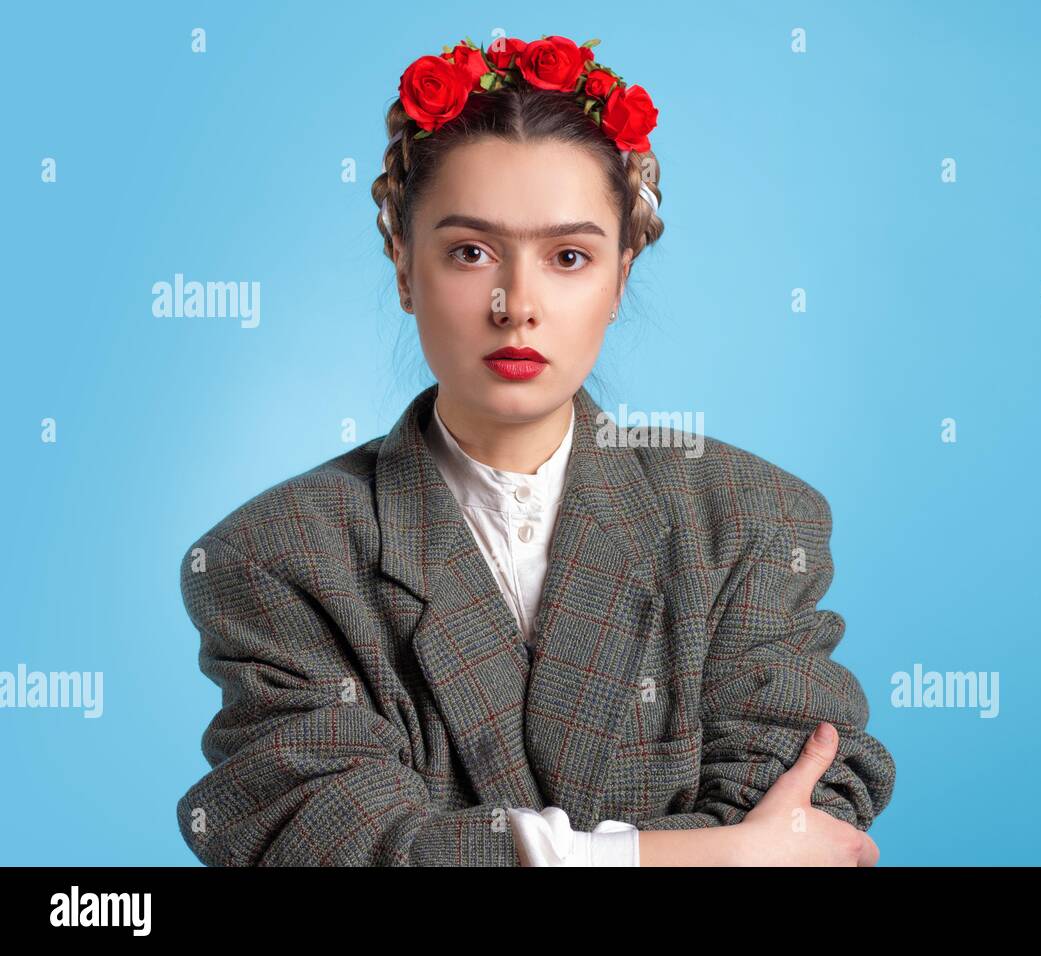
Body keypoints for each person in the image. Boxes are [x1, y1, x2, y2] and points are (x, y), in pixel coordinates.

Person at [175, 33, 895, 867]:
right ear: (404, 267)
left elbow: (811, 815)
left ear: (620, 279)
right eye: (471, 252)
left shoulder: (750, 519)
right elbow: (330, 846)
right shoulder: (275, 556)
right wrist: (691, 855)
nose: (517, 305)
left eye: (568, 257)